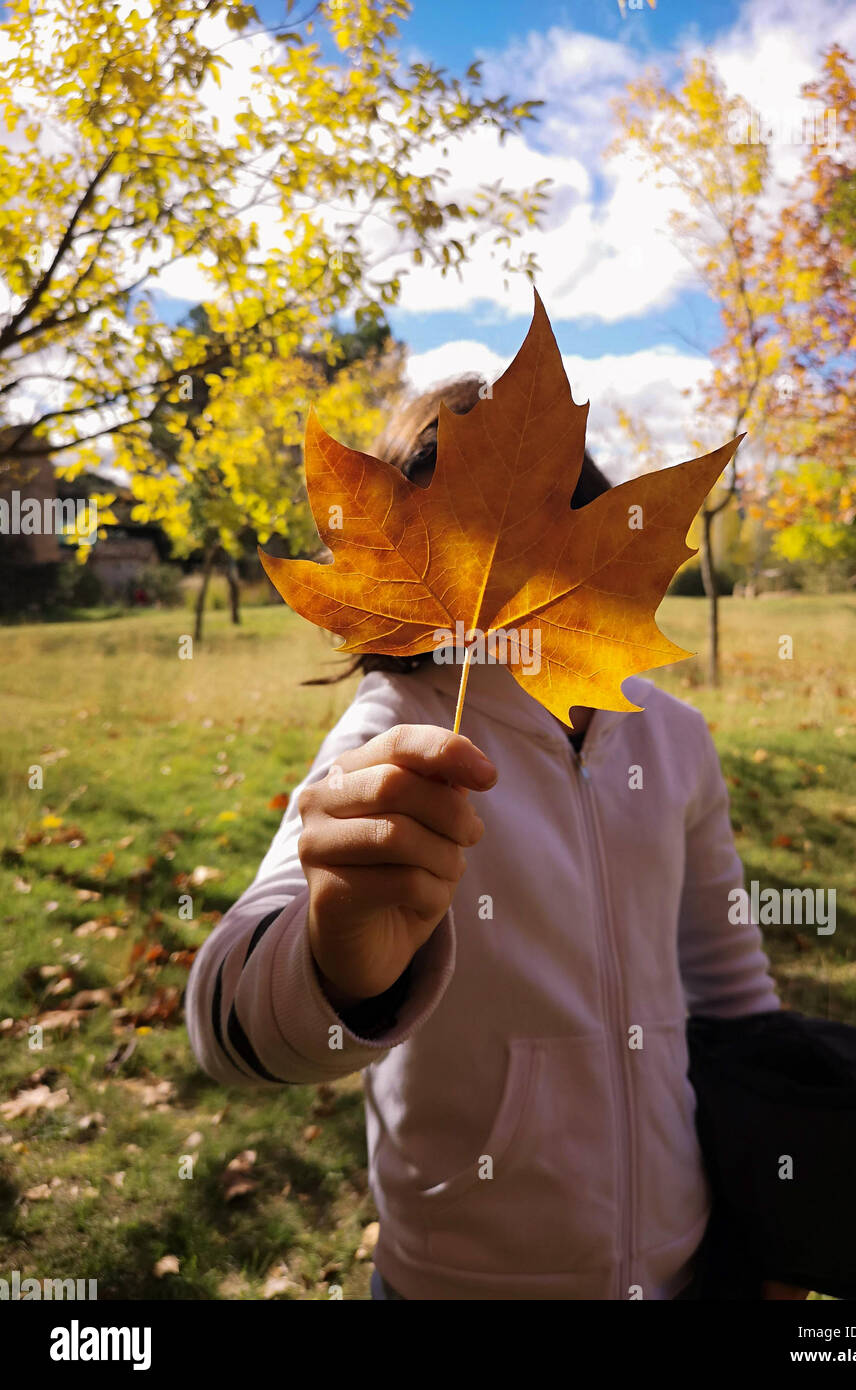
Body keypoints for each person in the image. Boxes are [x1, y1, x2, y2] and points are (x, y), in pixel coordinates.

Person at [186, 375, 785, 1301]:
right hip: (458, 1275)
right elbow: (227, 1030)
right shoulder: (396, 741)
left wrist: (767, 1209)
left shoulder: (675, 741)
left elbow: (732, 984)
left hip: (684, 1253)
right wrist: (335, 966)